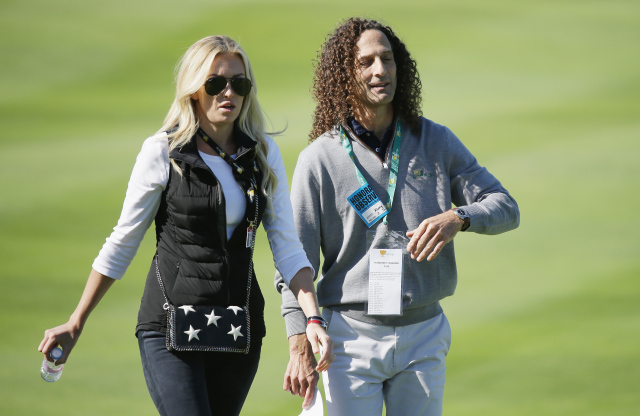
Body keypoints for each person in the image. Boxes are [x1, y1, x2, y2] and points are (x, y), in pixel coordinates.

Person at [38, 35, 333, 416]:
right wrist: (76, 321)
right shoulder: (162, 151)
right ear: (194, 91)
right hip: (169, 327)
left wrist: (311, 317)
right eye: (216, 83)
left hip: (236, 329)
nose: (229, 93)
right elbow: (122, 241)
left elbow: (288, 246)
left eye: (239, 84)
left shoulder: (261, 153)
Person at [276, 18, 520, 415]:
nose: (380, 71)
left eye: (387, 59)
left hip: (424, 334)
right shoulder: (318, 159)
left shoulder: (435, 140)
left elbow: (505, 206)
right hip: (349, 339)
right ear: (343, 75)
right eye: (366, 62)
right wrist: (299, 341)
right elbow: (293, 261)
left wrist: (458, 216)